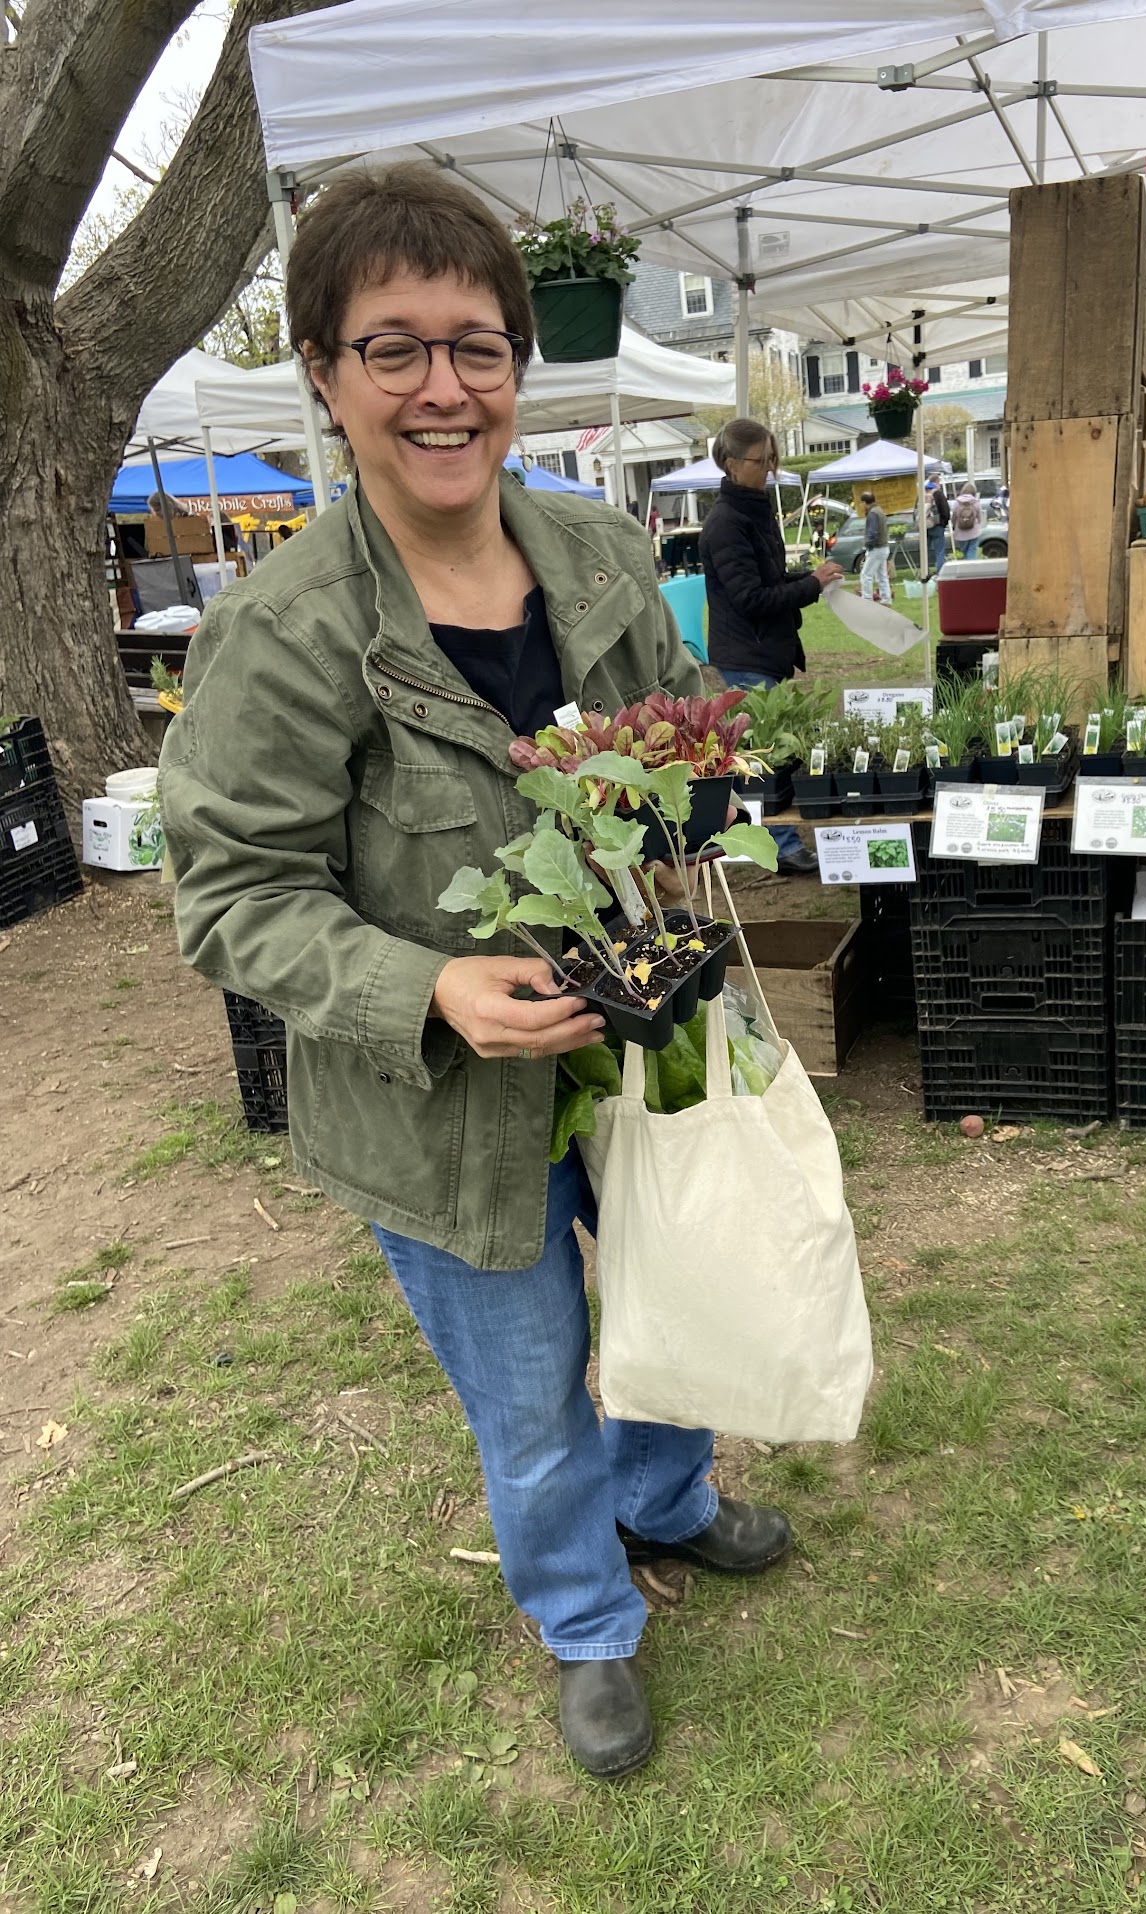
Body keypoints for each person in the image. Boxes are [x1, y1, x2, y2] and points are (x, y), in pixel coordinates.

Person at [158, 164, 792, 1783]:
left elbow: (673, 742)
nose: (444, 387)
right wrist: (428, 987)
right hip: (437, 1100)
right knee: (526, 1388)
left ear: (518, 365)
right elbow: (229, 894)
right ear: (324, 370)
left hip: (630, 1031)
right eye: (393, 347)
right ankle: (586, 1618)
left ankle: (667, 1495)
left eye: (478, 345)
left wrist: (701, 774)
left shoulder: (590, 549)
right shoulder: (288, 630)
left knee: (668, 1286)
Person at [700, 418, 842, 875]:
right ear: (730, 462)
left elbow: (769, 581)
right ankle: (779, 844)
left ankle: (776, 839)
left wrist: (809, 579)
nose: (769, 471)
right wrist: (811, 587)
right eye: (760, 462)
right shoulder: (725, 523)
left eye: (772, 460)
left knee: (771, 749)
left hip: (765, 649)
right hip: (747, 652)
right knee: (762, 756)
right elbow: (751, 599)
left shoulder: (753, 511)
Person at [857, 488, 891, 605]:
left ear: (865, 502)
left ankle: (867, 600)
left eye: (862, 503)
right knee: (882, 576)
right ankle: (886, 599)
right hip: (884, 547)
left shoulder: (872, 513)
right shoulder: (879, 510)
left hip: (876, 548)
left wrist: (868, 544)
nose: (861, 506)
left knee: (866, 575)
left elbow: (872, 533)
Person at [923, 477, 950, 573]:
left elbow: (916, 511)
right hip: (937, 525)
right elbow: (945, 510)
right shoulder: (938, 494)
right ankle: (940, 572)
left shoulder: (922, 493)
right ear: (937, 482)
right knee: (939, 551)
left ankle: (925, 572)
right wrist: (944, 523)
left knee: (925, 552)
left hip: (924, 526)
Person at [951, 482, 982, 560]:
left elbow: (954, 517)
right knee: (972, 551)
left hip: (960, 532)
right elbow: (979, 518)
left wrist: (954, 526)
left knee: (964, 552)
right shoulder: (976, 502)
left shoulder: (957, 503)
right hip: (974, 531)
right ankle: (972, 568)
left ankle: (966, 567)